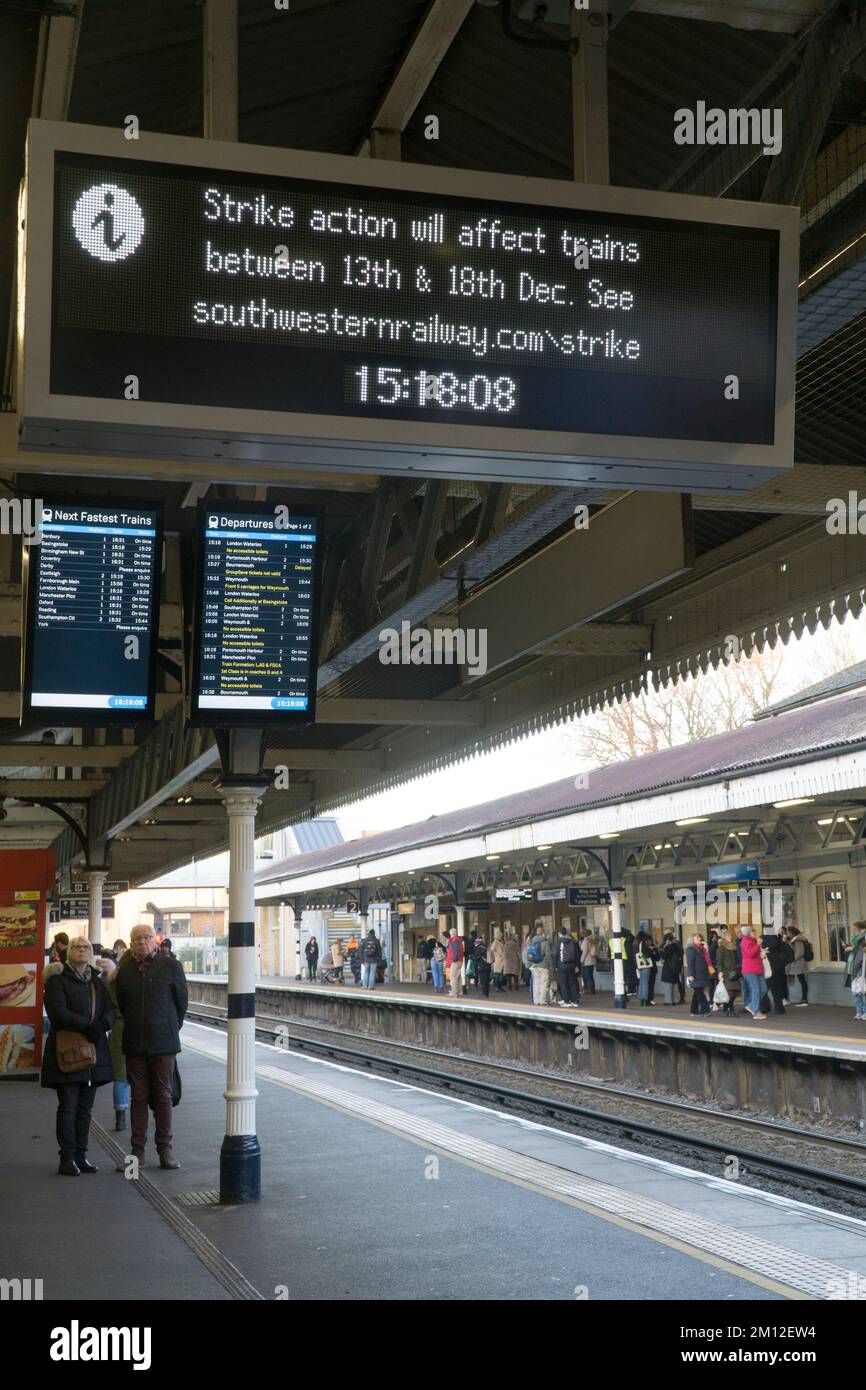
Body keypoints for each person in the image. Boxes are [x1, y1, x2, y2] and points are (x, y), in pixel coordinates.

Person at [115, 923, 188, 1170]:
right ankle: (137, 1152)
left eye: (146, 938)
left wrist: (166, 1027)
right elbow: (123, 1006)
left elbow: (181, 1005)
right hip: (135, 1042)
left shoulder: (172, 967)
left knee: (164, 1095)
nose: (142, 943)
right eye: (136, 939)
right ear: (131, 942)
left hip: (164, 1043)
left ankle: (165, 1150)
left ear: (155, 941)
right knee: (138, 1097)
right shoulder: (124, 971)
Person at [41, 937, 115, 1175]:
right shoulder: (57, 980)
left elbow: (110, 1009)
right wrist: (87, 1026)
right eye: (77, 947)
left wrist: (102, 1024)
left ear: (91, 953)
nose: (82, 951)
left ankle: (81, 1156)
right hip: (67, 1052)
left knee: (85, 1108)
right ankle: (67, 1158)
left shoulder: (97, 982)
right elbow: (58, 1012)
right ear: (68, 952)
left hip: (92, 1053)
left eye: (86, 948)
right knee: (69, 1106)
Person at [97, 956, 129, 1131]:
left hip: (117, 1028)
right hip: (137, 1027)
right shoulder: (135, 981)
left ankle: (121, 1117)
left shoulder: (112, 981)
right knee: (140, 1074)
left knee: (120, 1075)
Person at [738, 925, 767, 1020]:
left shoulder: (752, 941)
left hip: (757, 969)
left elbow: (754, 954)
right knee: (756, 990)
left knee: (763, 989)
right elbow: (750, 954)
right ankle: (756, 1012)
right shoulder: (745, 941)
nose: (755, 933)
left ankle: (751, 1005)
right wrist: (758, 945)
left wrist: (762, 951)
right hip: (750, 970)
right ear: (748, 933)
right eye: (753, 932)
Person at [761, 930, 791, 1015]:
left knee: (764, 989)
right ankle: (779, 1007)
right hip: (779, 969)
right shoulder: (780, 942)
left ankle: (765, 1007)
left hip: (768, 969)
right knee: (777, 989)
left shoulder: (764, 943)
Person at [684, 932, 714, 1016]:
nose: (699, 939)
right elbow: (690, 963)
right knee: (700, 993)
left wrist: (706, 949)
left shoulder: (702, 949)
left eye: (700, 937)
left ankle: (693, 1011)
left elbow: (707, 960)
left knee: (697, 992)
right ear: (692, 940)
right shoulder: (690, 949)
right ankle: (706, 1010)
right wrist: (690, 975)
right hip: (696, 974)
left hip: (703, 974)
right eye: (697, 938)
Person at [714, 926, 741, 1017]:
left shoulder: (734, 947)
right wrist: (720, 972)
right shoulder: (722, 948)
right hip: (726, 972)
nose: (730, 937)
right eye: (728, 936)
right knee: (730, 992)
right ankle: (731, 1010)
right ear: (725, 937)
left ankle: (726, 1006)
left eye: (730, 936)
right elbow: (719, 961)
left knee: (736, 992)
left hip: (734, 972)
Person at [527, 926, 553, 1005]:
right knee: (543, 983)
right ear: (543, 933)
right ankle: (542, 1000)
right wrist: (551, 965)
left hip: (535, 965)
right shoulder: (545, 942)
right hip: (544, 966)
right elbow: (548, 955)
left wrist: (530, 964)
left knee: (536, 983)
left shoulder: (532, 941)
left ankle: (536, 1000)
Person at [554, 926, 580, 1008]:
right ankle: (574, 1001)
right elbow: (577, 954)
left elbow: (555, 954)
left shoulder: (559, 942)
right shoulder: (573, 940)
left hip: (562, 965)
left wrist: (556, 965)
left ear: (559, 933)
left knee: (563, 983)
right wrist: (576, 965)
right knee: (572, 982)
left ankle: (566, 1001)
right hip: (571, 964)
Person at [784, 927, 809, 1006]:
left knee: (802, 980)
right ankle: (804, 999)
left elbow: (800, 952)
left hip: (798, 963)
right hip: (795, 963)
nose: (787, 934)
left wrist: (792, 959)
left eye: (788, 932)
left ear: (792, 932)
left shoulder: (798, 940)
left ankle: (804, 999)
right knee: (802, 980)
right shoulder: (793, 940)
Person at [636, 931, 659, 1006]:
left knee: (642, 983)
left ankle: (641, 999)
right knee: (646, 983)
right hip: (647, 966)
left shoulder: (637, 944)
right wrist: (652, 950)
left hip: (640, 966)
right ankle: (646, 999)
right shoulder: (644, 945)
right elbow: (647, 955)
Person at [660, 933, 683, 1005]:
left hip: (668, 967)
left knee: (668, 985)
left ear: (667, 940)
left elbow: (664, 956)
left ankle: (668, 1001)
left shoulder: (668, 947)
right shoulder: (677, 946)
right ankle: (676, 1000)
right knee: (675, 984)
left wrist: (661, 950)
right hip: (676, 967)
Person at [850, 933, 866, 1020]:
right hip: (862, 975)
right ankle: (862, 1012)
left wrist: (854, 976)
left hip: (861, 976)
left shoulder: (861, 951)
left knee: (858, 994)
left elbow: (856, 965)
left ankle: (860, 1012)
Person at [446, 927, 465, 998]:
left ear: (452, 934)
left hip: (456, 961)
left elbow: (456, 951)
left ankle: (454, 992)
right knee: (458, 977)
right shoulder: (458, 941)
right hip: (460, 960)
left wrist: (454, 960)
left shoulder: (454, 941)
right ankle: (459, 992)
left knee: (453, 976)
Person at [473, 932, 493, 998]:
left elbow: (477, 957)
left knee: (483, 980)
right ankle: (487, 993)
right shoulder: (486, 947)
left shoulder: (479, 948)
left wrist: (473, 957)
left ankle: (484, 994)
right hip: (488, 965)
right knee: (487, 980)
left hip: (482, 966)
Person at [579, 929, 598, 994]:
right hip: (592, 960)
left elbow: (585, 951)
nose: (580, 933)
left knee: (586, 976)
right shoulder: (592, 940)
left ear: (585, 933)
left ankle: (588, 989)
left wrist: (581, 960)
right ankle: (592, 990)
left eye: (582, 932)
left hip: (587, 960)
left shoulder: (586, 940)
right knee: (590, 976)